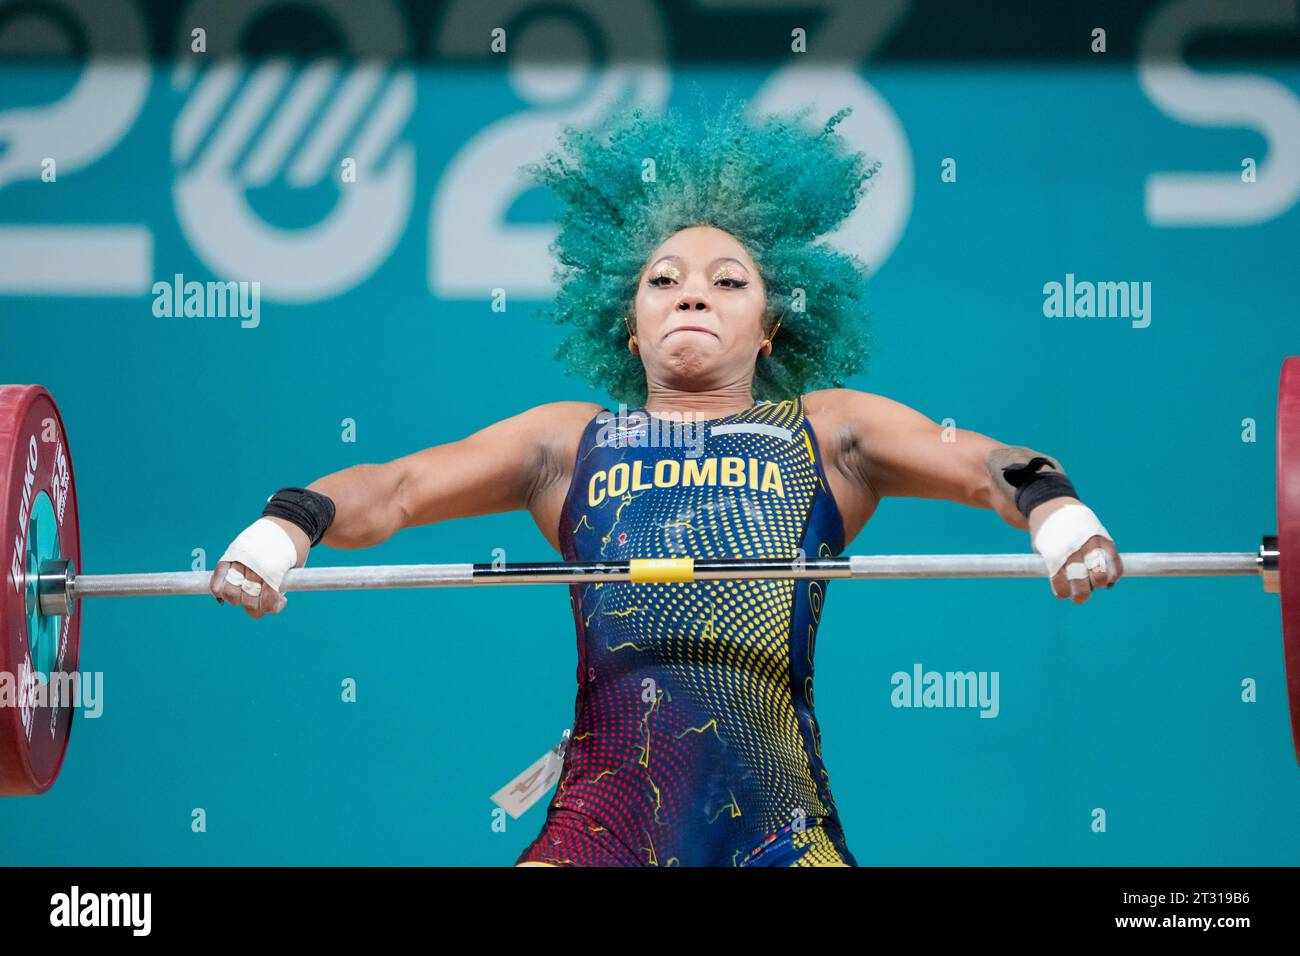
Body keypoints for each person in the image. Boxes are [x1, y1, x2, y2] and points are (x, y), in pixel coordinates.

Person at [210, 99, 1122, 867]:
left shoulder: (826, 429)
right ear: (632, 328)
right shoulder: (568, 442)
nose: (694, 294)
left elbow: (981, 463)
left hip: (781, 831)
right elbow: (400, 487)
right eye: (665, 281)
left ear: (769, 331)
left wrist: (1053, 508)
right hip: (605, 825)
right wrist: (292, 523)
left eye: (729, 282)